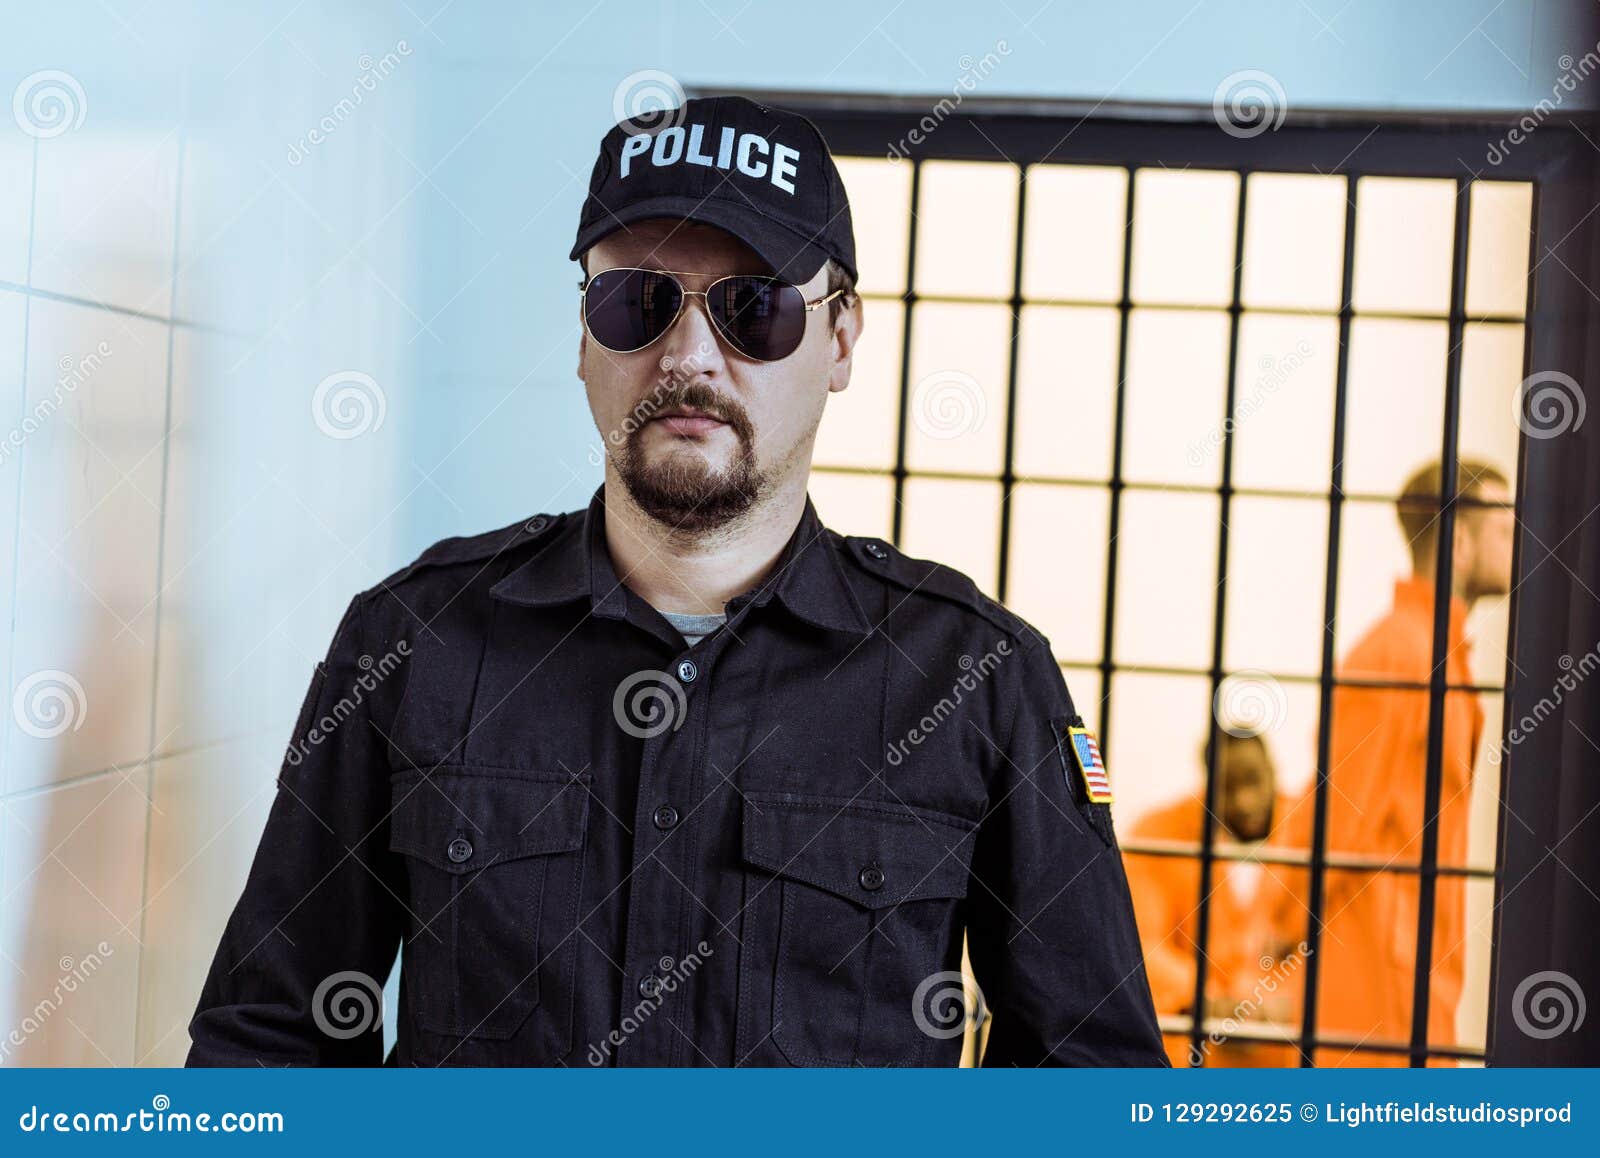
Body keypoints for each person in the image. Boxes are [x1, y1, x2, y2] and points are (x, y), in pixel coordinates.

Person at [185, 95, 1166, 1067]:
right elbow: (269, 1041)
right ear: (583, 337)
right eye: (637, 302)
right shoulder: (411, 641)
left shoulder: (978, 679)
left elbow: (1091, 1079)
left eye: (756, 308)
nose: (688, 357)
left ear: (840, 341)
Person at [1281, 458, 1512, 1064]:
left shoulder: (1436, 655)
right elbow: (1334, 813)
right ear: (1459, 541)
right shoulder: (1401, 653)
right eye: (1506, 529)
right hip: (1375, 989)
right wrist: (1272, 946)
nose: (1521, 541)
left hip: (1412, 977)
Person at [1123, 730, 1301, 1066]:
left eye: (1253, 780)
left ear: (1274, 772)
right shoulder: (1160, 834)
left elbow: (1342, 941)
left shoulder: (1315, 831)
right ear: (1207, 786)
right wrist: (1205, 998)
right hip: (1194, 1056)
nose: (1244, 800)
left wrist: (1288, 1000)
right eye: (1227, 787)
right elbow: (1136, 942)